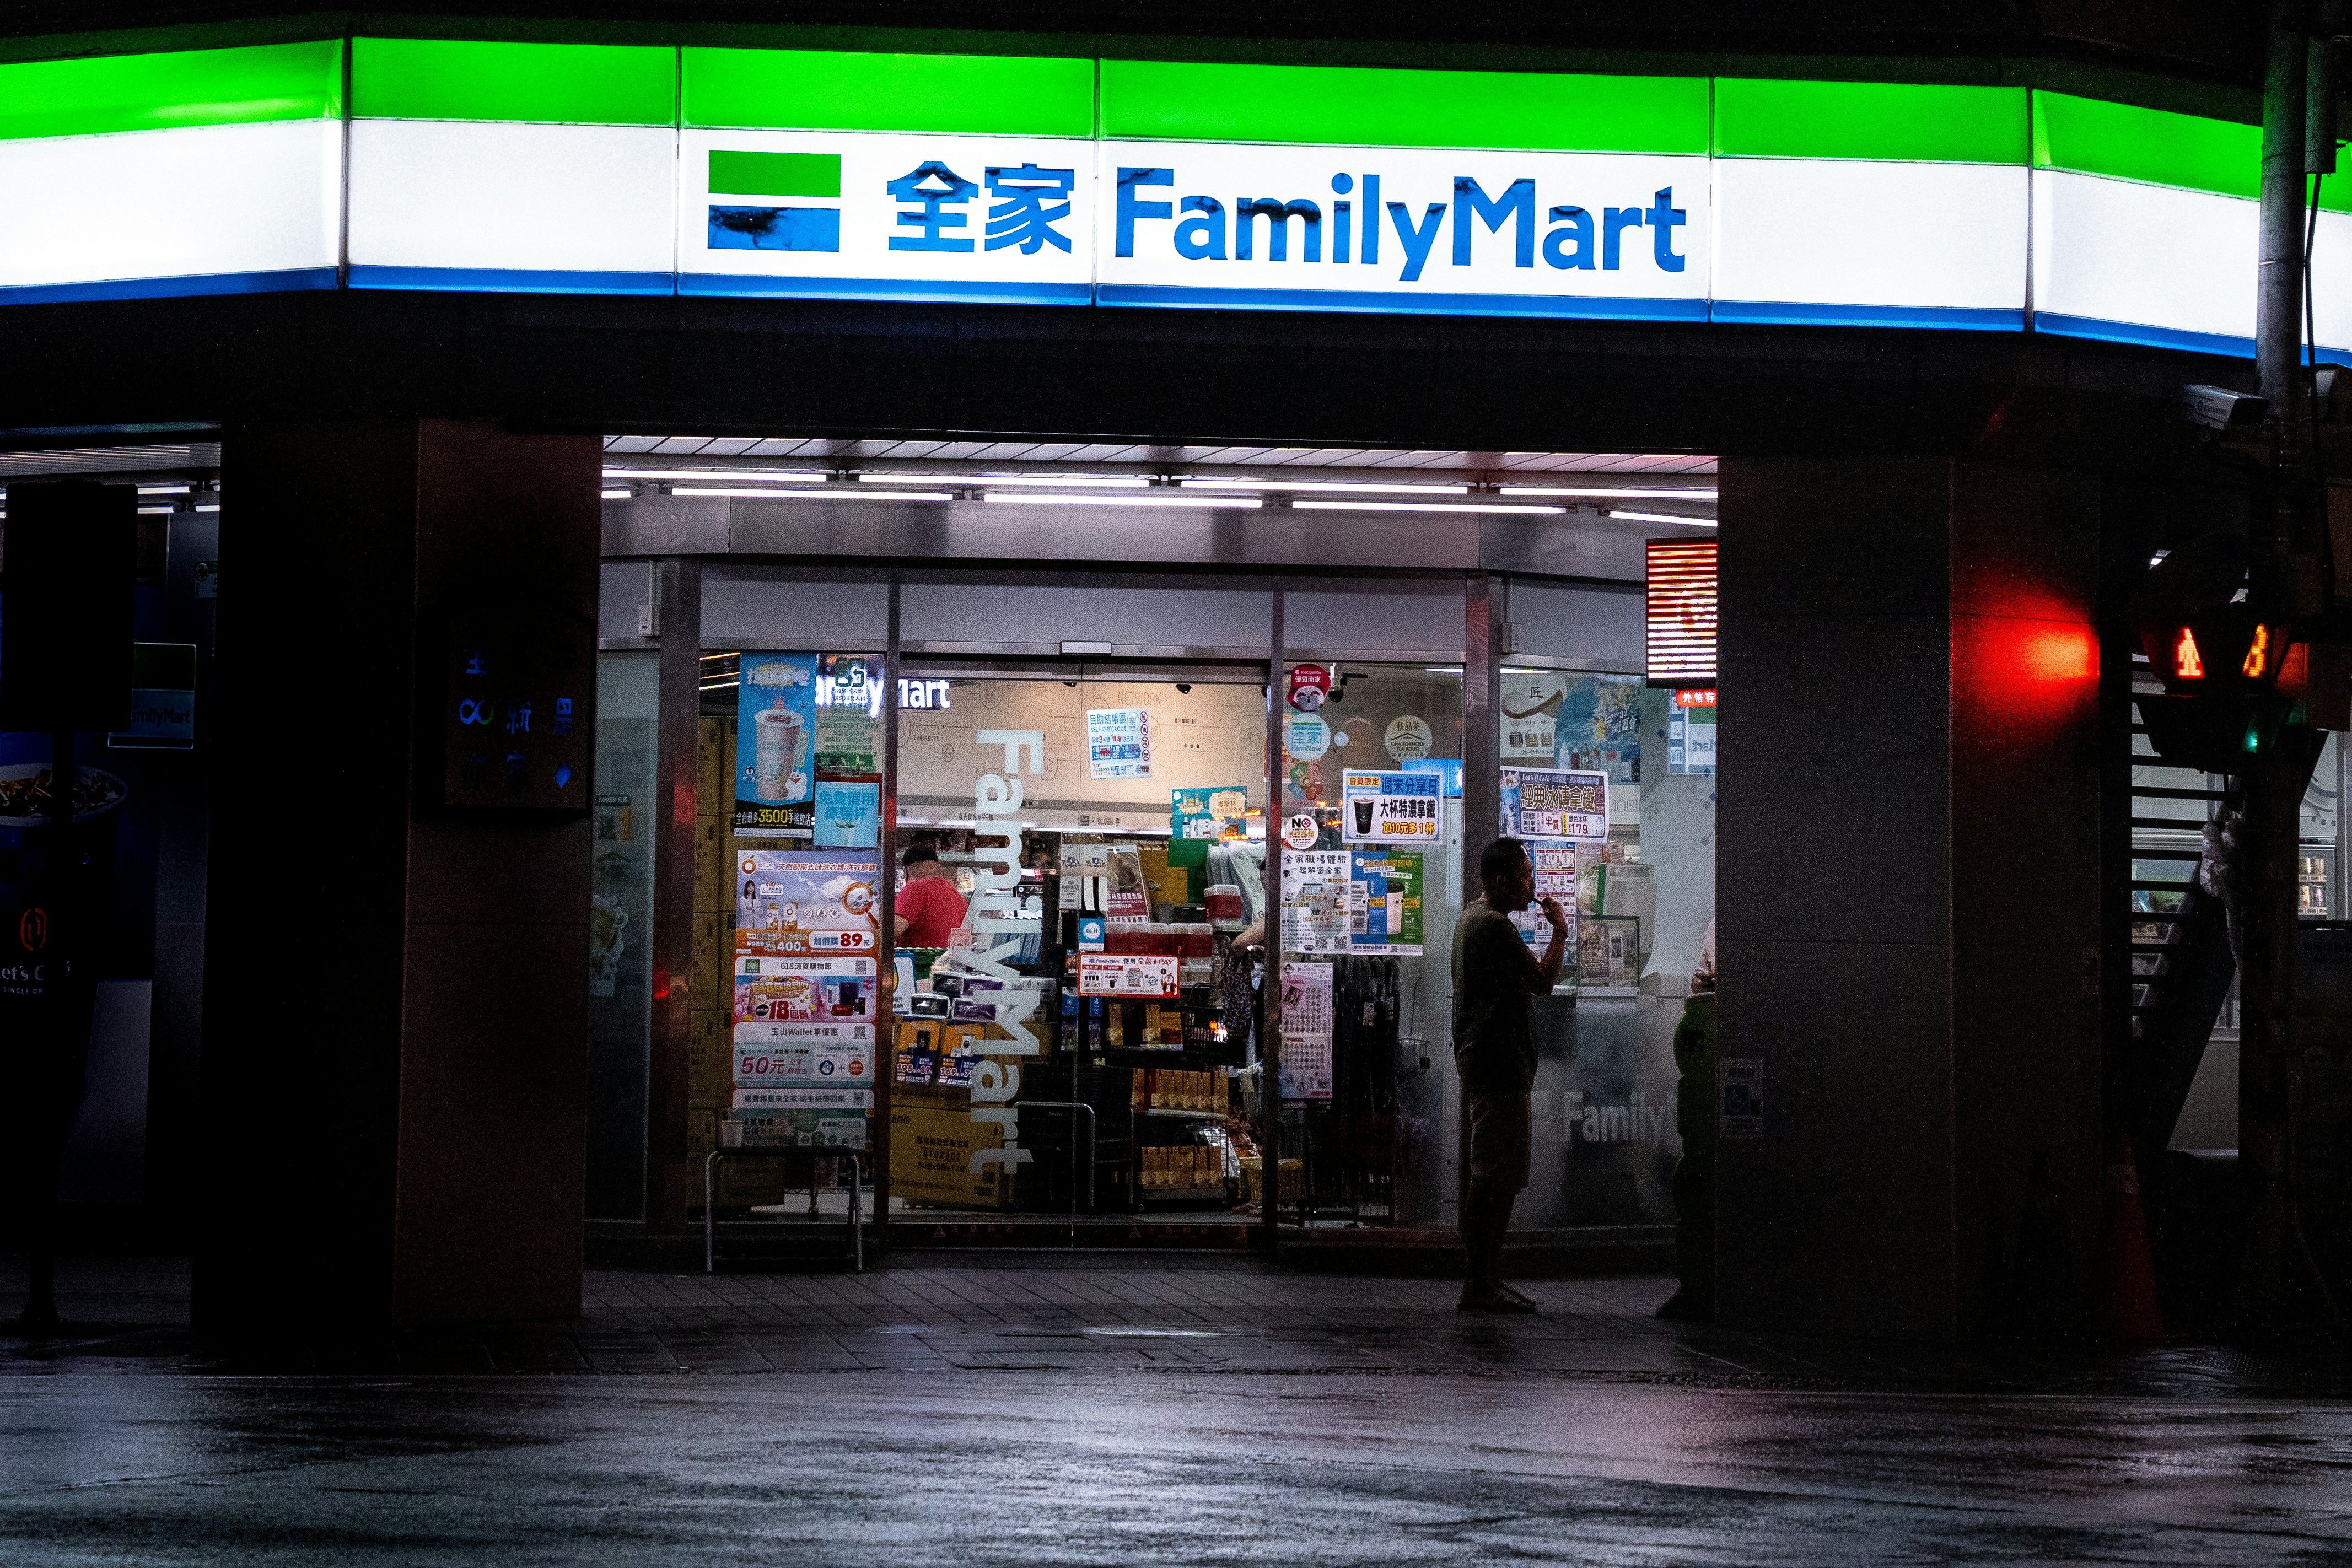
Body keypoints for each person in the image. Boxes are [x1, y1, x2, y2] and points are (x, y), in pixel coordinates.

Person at [1451, 836, 1568, 1314]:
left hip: (1489, 1065)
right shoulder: (1493, 927)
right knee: (1495, 1181)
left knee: (1494, 1177)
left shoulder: (1469, 920)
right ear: (1499, 880)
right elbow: (1542, 982)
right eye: (1524, 877)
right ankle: (1480, 1284)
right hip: (1498, 1068)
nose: (1531, 886)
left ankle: (1486, 1279)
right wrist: (1559, 932)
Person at [893, 843, 967, 947]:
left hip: (922, 962)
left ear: (906, 872)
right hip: (950, 961)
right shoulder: (957, 896)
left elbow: (890, 932)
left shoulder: (915, 890)